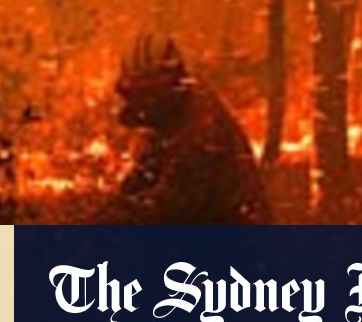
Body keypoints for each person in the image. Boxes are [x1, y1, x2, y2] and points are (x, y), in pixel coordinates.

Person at [97, 35, 270, 224]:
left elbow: (165, 208)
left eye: (148, 92)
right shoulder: (172, 116)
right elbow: (141, 180)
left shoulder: (201, 130)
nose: (140, 104)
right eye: (135, 93)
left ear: (169, 86)